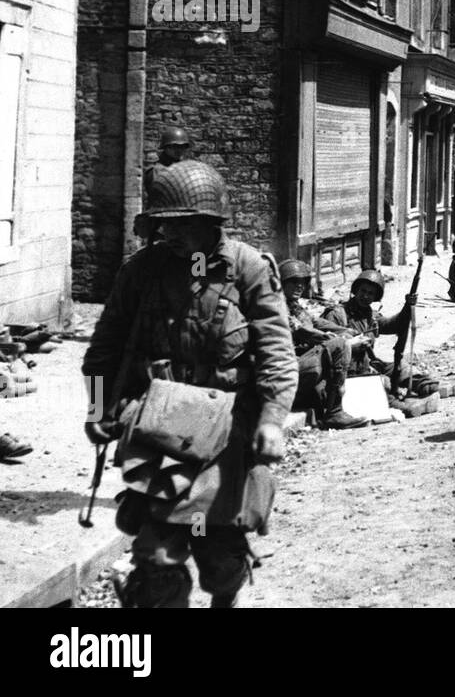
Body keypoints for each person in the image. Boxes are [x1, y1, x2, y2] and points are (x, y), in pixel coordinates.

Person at [82, 159, 297, 608]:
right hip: (160, 433)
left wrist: (272, 419)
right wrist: (100, 408)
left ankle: (225, 599)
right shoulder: (141, 272)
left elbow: (277, 351)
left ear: (208, 223)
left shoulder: (248, 269)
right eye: (162, 225)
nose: (167, 235)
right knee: (157, 556)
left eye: (179, 225)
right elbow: (103, 351)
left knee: (218, 554)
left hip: (227, 438)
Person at [278, 259, 368, 429]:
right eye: (294, 282)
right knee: (339, 346)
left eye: (302, 282)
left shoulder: (294, 305)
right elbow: (304, 332)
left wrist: (347, 331)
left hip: (293, 371)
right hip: (282, 373)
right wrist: (343, 340)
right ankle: (334, 413)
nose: (300, 286)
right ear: (281, 283)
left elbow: (316, 321)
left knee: (323, 392)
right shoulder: (276, 306)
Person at [319, 270, 416, 389]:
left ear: (375, 297)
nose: (365, 296)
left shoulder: (371, 317)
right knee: (385, 386)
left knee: (408, 372)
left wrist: (407, 307)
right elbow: (326, 348)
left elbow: (393, 325)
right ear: (356, 291)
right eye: (363, 291)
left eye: (370, 293)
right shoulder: (337, 314)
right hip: (343, 373)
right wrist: (351, 345)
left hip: (366, 366)